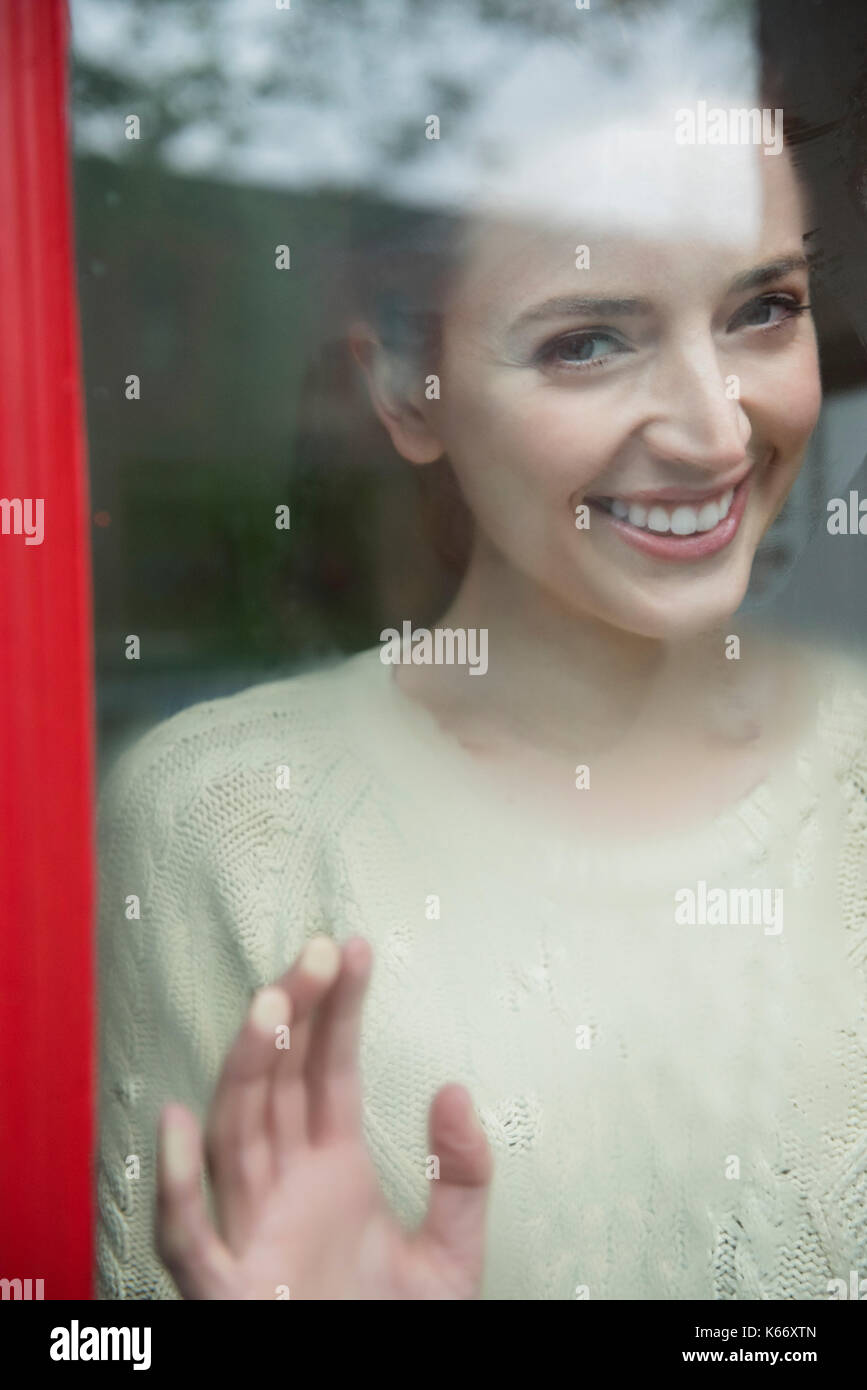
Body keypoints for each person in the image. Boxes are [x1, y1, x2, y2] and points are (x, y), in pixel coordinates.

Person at [95, 73, 867, 1300]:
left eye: (763, 308)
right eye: (588, 341)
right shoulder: (220, 827)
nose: (719, 433)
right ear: (409, 389)